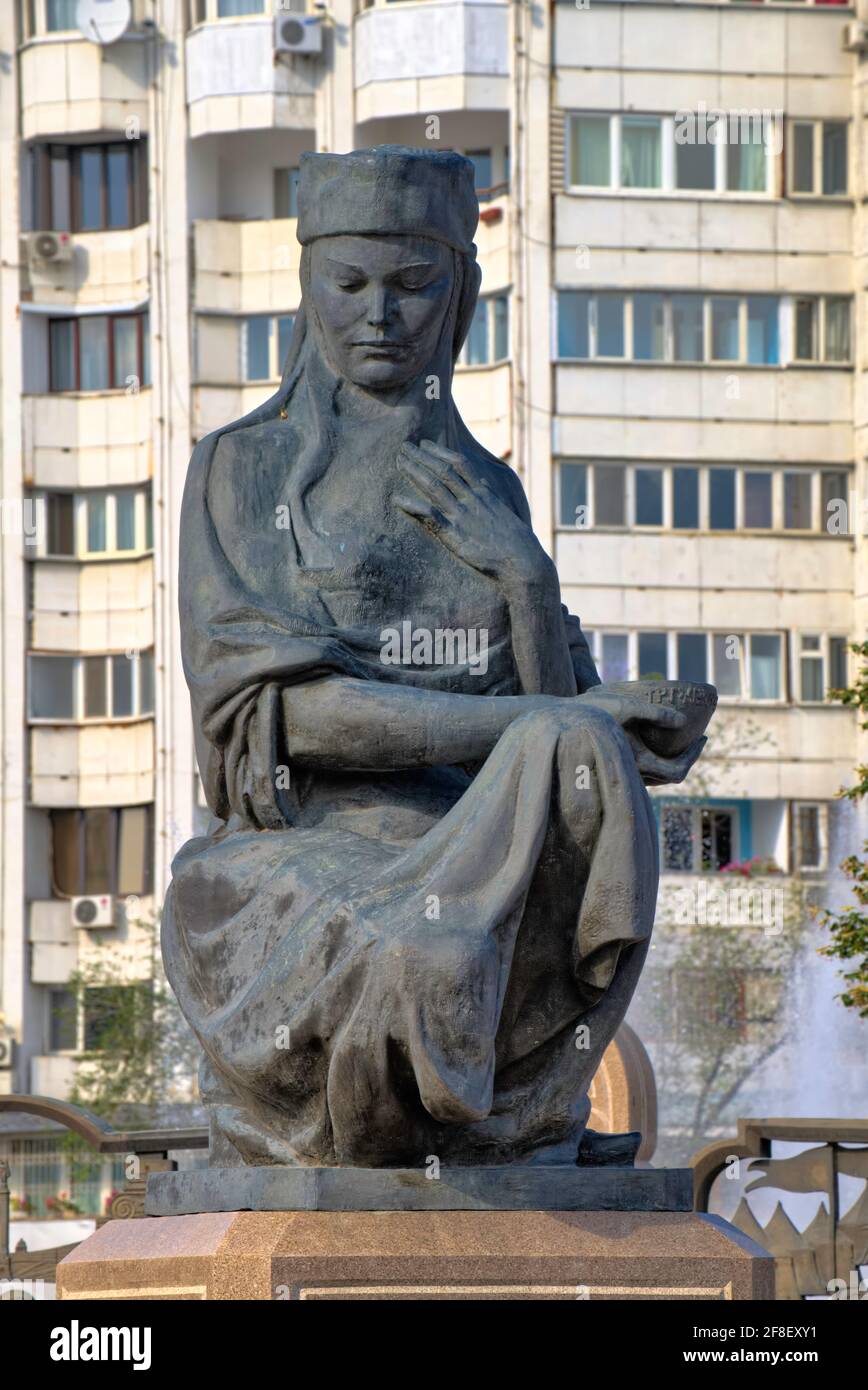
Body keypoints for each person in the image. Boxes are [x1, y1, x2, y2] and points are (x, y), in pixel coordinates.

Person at [163, 147, 705, 1167]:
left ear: (455, 295)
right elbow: (292, 718)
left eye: (413, 285)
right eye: (351, 282)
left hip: (494, 842)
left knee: (579, 773)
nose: (380, 314)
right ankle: (474, 1132)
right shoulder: (243, 470)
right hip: (306, 851)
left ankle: (528, 1121)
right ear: (309, 290)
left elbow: (562, 720)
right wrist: (541, 724)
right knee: (432, 957)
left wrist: (526, 583)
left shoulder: (489, 490)